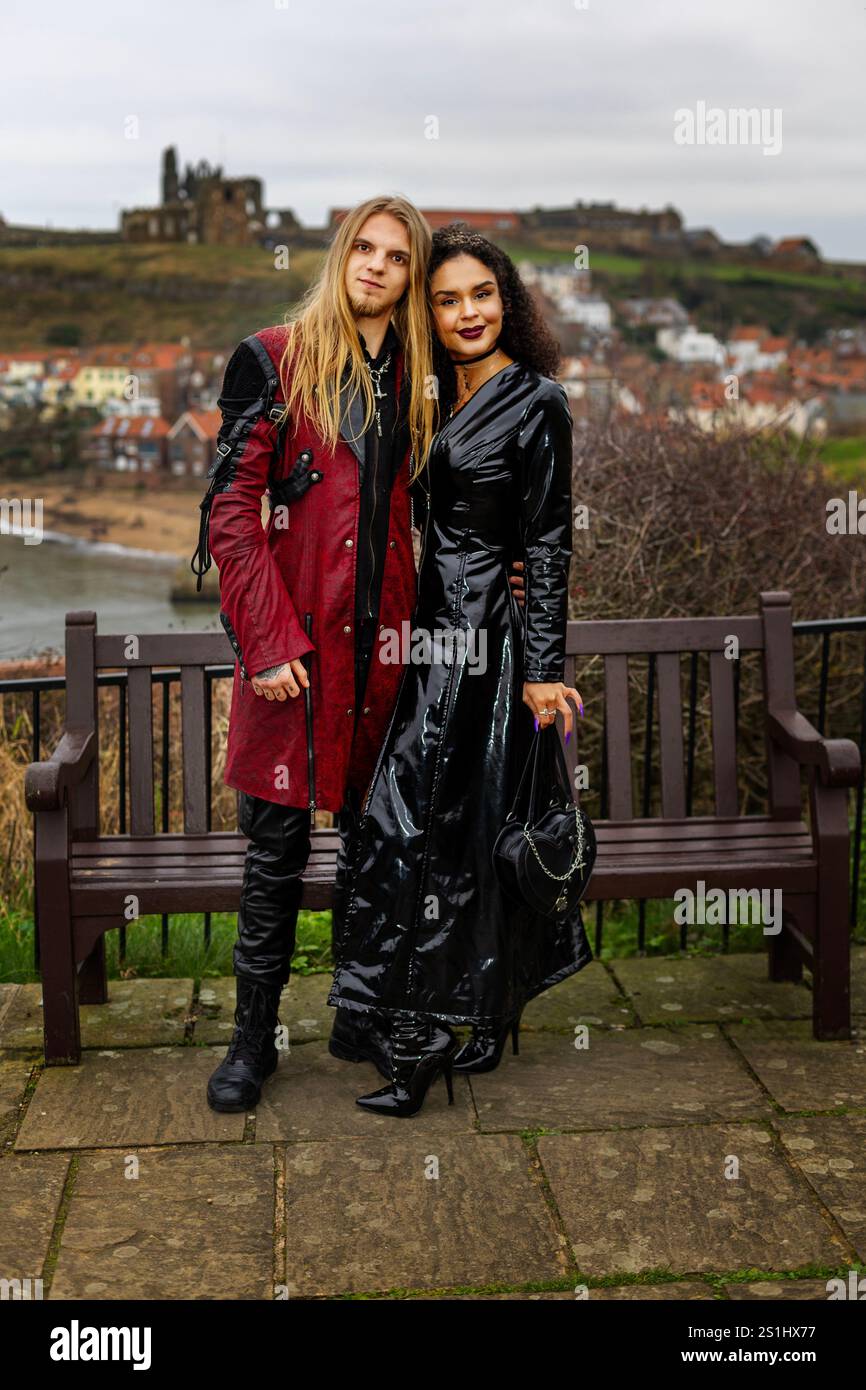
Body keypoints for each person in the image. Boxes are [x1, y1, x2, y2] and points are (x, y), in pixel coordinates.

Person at [191, 196, 526, 1113]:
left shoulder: (420, 378)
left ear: (413, 278)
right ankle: (252, 1041)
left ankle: (360, 1015)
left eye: (396, 257)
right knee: (276, 857)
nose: (376, 266)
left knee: (379, 852)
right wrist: (265, 641)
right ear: (343, 256)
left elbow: (465, 502)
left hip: (388, 658)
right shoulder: (271, 360)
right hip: (291, 659)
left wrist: (514, 569)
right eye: (364, 248)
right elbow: (230, 512)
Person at [327, 223, 593, 1117]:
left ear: (506, 299)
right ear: (428, 314)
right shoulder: (426, 394)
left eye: (481, 294)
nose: (466, 312)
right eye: (446, 300)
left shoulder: (538, 402)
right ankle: (463, 1019)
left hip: (488, 652)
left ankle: (424, 1039)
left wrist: (544, 668)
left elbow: (549, 543)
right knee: (422, 831)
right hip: (426, 641)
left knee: (439, 835)